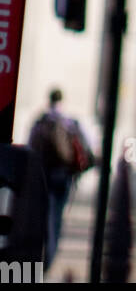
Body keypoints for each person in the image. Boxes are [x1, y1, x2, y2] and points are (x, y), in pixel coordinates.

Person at [28, 88, 95, 268]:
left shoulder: (41, 121)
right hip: (64, 176)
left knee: (46, 215)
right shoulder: (70, 122)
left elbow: (30, 148)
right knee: (57, 217)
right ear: (62, 101)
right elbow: (88, 147)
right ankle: (51, 255)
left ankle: (45, 256)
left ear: (49, 100)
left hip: (45, 176)